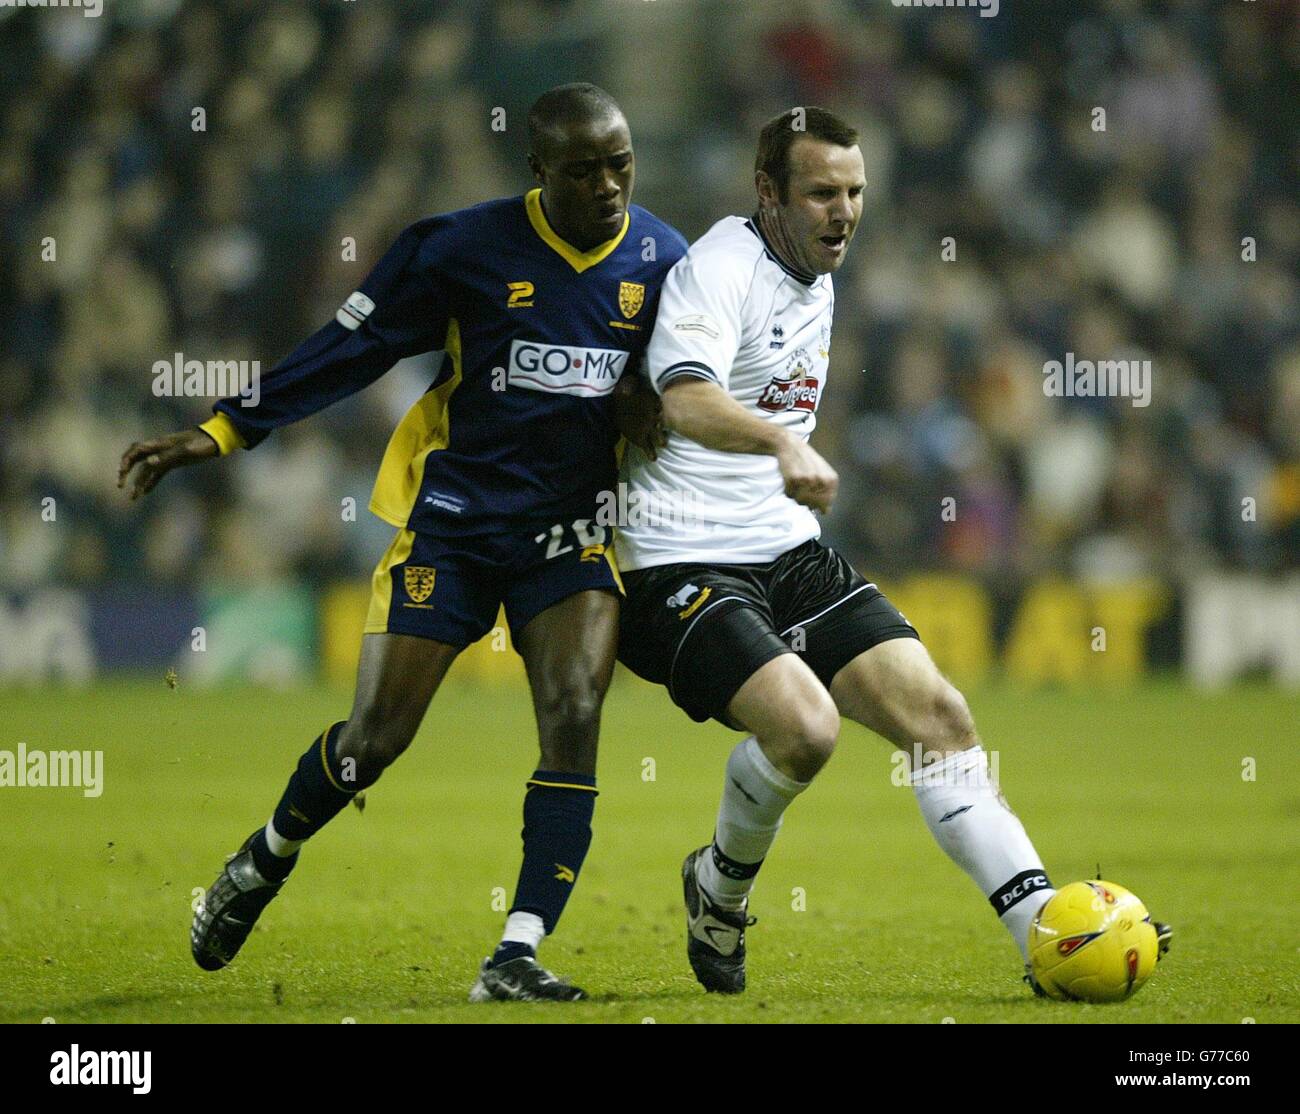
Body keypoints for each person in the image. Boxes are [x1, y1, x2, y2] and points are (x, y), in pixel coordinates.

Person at [118, 83, 687, 1002]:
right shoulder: (460, 247)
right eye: (584, 172)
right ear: (537, 170)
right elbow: (350, 348)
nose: (610, 187)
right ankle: (264, 859)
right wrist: (222, 431)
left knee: (577, 707)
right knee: (372, 745)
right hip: (453, 525)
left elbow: (693, 378)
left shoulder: (666, 258)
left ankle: (516, 951)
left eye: (621, 165)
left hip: (569, 531)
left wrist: (657, 409)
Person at [614, 107, 1169, 994]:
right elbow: (683, 397)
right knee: (806, 732)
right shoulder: (720, 270)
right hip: (678, 560)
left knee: (942, 720)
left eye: (856, 192)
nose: (845, 212)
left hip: (786, 552)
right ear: (769, 193)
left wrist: (783, 459)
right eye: (822, 193)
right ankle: (719, 887)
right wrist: (783, 444)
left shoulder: (816, 271)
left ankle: (1047, 937)